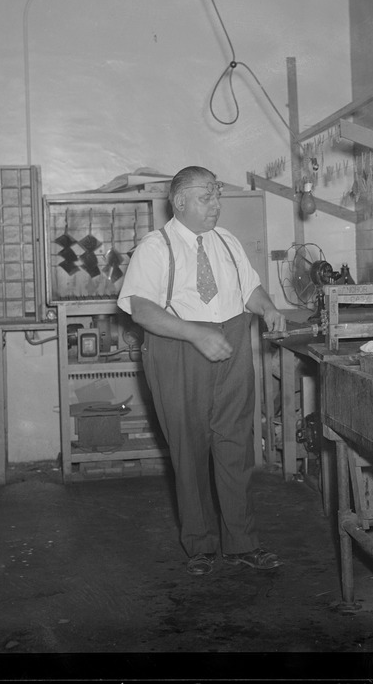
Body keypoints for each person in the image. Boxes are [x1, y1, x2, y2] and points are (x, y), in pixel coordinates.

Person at [117, 166, 287, 576]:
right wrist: (195, 334)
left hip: (230, 344)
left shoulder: (226, 241)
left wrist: (267, 307)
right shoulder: (155, 248)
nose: (216, 204)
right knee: (188, 449)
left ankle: (242, 542)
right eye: (206, 196)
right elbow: (142, 310)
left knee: (234, 444)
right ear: (179, 201)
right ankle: (200, 545)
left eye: (217, 195)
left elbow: (249, 289)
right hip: (177, 349)